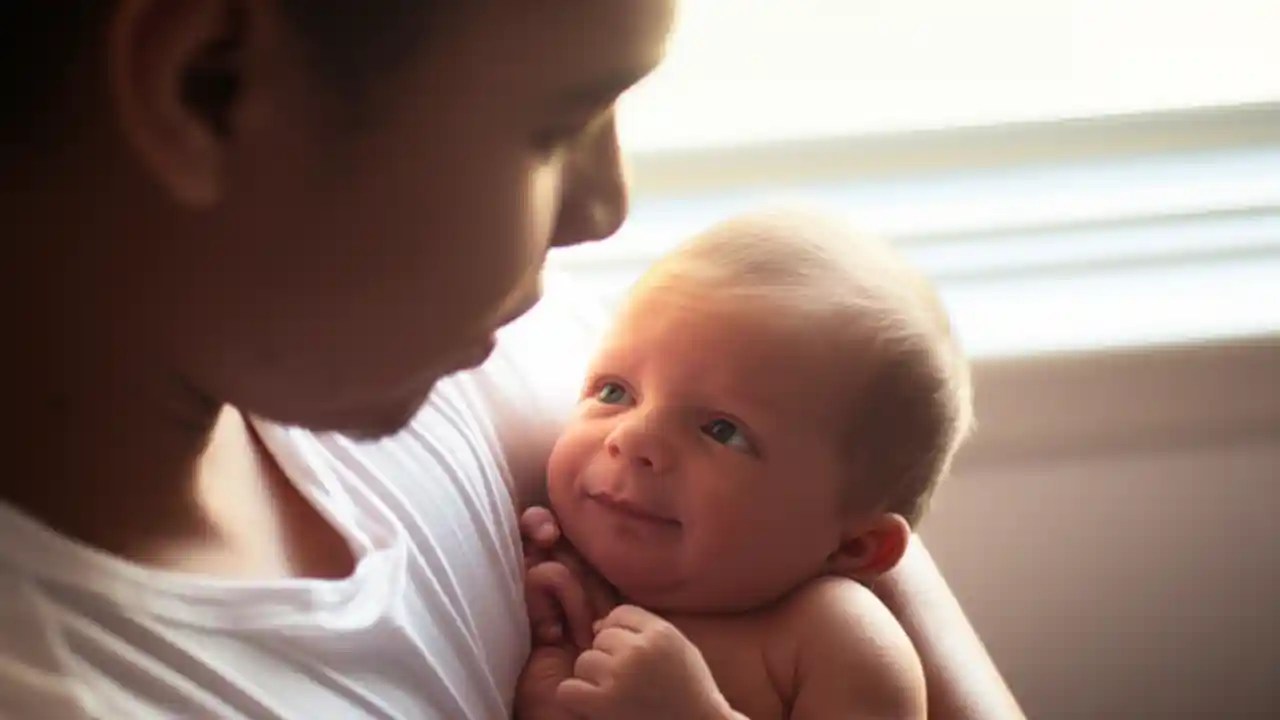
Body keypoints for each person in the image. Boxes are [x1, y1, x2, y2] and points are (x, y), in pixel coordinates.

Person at [2, 1, 1022, 718]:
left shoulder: (419, 327)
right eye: (556, 125)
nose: (604, 209)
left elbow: (833, 465)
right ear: (205, 86)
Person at [521, 209, 968, 719]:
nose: (632, 437)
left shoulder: (834, 637)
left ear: (854, 546)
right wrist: (546, 663)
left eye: (722, 431)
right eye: (614, 391)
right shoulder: (568, 578)